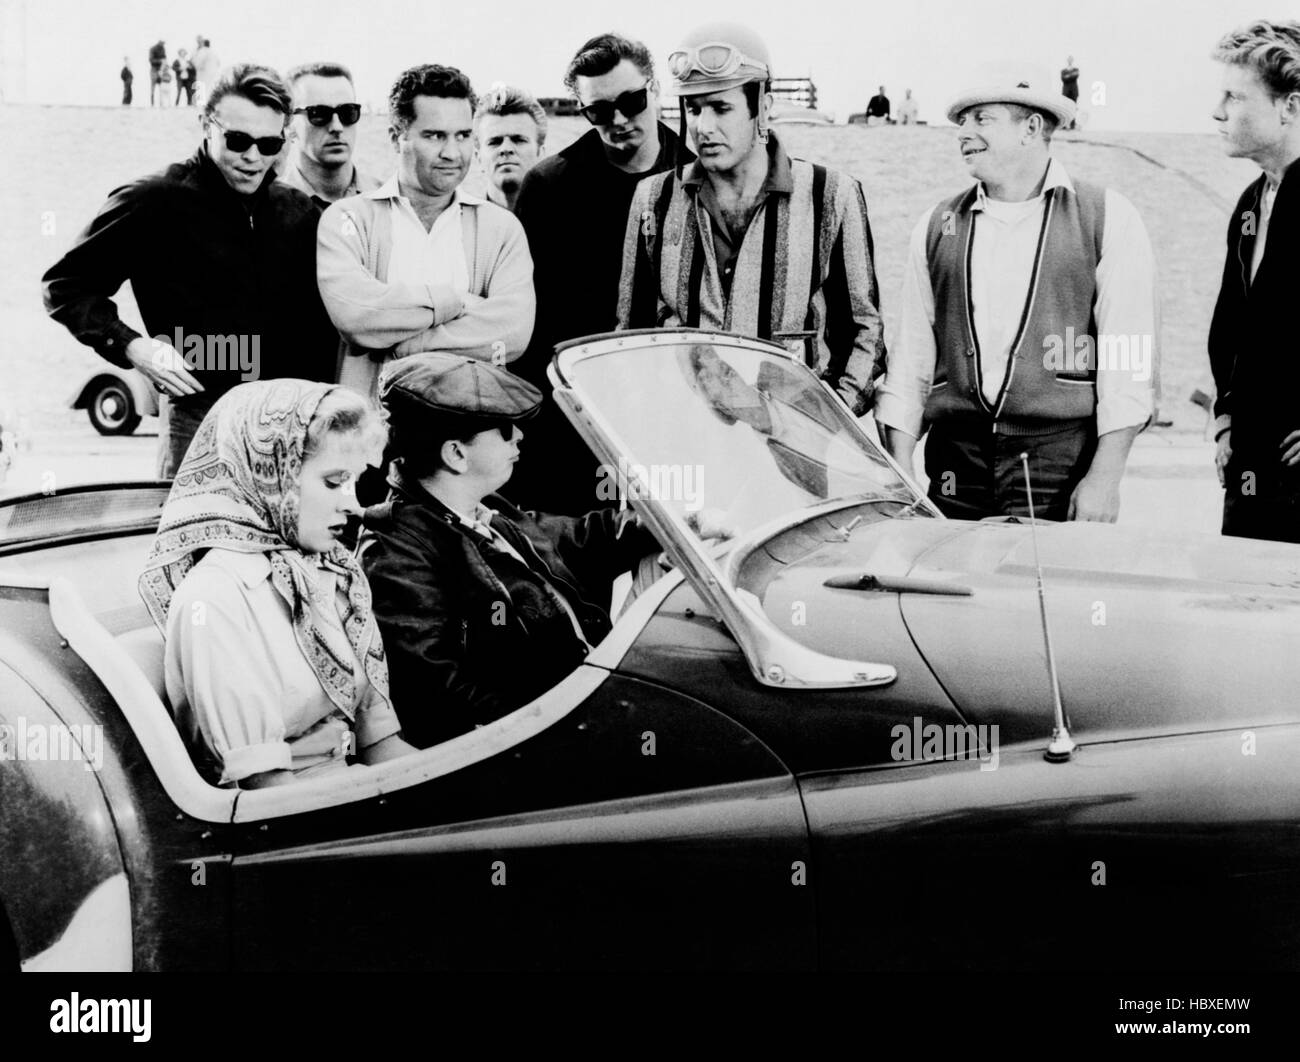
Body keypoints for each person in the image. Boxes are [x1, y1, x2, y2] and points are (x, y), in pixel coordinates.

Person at [874, 70, 1157, 522]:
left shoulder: (1108, 218)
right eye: (962, 121)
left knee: (1051, 591)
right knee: (949, 589)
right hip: (954, 468)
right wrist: (901, 464)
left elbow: (1128, 366)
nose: (964, 133)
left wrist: (1105, 477)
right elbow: (912, 360)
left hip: (1058, 468)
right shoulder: (936, 226)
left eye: (982, 119)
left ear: (1032, 128)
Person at [42, 64, 339, 478]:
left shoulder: (300, 212)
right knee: (196, 542)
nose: (253, 157)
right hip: (199, 416)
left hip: (288, 422)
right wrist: (132, 346)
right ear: (206, 123)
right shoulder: (153, 202)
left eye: (269, 144)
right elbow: (65, 285)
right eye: (238, 141)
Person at [359, 353, 660, 748]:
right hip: (542, 740)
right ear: (456, 454)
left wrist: (672, 524)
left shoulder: (484, 509)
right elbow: (437, 693)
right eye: (503, 429)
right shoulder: (396, 550)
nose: (518, 436)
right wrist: (569, 726)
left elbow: (583, 536)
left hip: (592, 702)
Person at [138, 380, 417, 788]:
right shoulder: (215, 598)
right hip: (285, 826)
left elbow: (381, 746)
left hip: (351, 792)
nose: (352, 504)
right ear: (270, 477)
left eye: (353, 482)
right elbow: (266, 791)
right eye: (333, 482)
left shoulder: (330, 569)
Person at [618, 23, 887, 419]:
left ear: (762, 106)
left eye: (721, 108)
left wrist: (819, 428)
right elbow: (632, 334)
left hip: (797, 453)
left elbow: (865, 337)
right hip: (687, 439)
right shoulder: (653, 199)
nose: (702, 127)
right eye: (693, 109)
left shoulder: (832, 195)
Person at [510, 32, 692, 515]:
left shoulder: (697, 177)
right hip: (575, 418)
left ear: (654, 90)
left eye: (630, 102)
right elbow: (531, 322)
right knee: (570, 577)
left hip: (676, 414)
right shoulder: (549, 186)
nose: (617, 120)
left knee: (681, 573)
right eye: (599, 110)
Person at [317, 63, 534, 406]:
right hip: (370, 437)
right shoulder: (347, 220)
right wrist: (458, 303)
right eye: (435, 136)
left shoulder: (502, 229)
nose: (452, 153)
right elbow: (355, 317)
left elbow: (512, 333)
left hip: (470, 438)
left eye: (463, 135)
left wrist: (400, 344)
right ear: (395, 138)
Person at [1208, 20, 1300, 543]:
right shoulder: (1251, 201)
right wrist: (1225, 415)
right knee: (1240, 611)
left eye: (1234, 97)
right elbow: (1231, 323)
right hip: (1249, 465)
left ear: (1288, 107)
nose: (1218, 112)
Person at [280, 62, 380, 209]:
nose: (337, 127)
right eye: (319, 114)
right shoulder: (269, 208)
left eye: (347, 112)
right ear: (289, 124)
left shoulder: (390, 202)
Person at [475, 82, 546, 212]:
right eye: (495, 142)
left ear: (540, 154)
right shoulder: (457, 229)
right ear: (478, 157)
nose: (506, 149)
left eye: (518, 140)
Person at [193, 37, 220, 108]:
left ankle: (201, 103)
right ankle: (209, 102)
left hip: (204, 72)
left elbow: (198, 62)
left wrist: (197, 67)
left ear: (203, 44)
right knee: (210, 87)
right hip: (213, 72)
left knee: (201, 86)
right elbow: (218, 62)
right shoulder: (213, 52)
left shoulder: (202, 51)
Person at [1060, 56, 1080, 129]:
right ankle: (1065, 125)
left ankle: (1072, 125)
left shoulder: (1076, 70)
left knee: (1073, 108)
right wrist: (1071, 75)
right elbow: (1063, 78)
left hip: (1074, 92)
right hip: (1066, 92)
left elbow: (1075, 75)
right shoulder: (1063, 71)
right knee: (1065, 108)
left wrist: (1068, 76)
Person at [148, 40, 167, 107]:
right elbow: (151, 60)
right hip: (154, 70)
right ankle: (152, 104)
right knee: (153, 87)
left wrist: (163, 66)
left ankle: (161, 103)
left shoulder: (163, 49)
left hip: (161, 70)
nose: (162, 45)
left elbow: (164, 58)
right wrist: (160, 61)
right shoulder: (152, 49)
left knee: (162, 87)